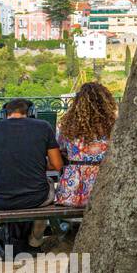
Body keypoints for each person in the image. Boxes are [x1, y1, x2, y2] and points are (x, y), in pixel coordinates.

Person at [0, 98, 63, 254]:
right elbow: (57, 165)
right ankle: (35, 243)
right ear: (32, 113)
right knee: (48, 188)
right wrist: (37, 164)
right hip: (37, 199)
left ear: (4, 115)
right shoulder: (43, 127)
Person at [54, 81, 117, 209]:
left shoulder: (66, 127)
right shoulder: (115, 127)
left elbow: (62, 150)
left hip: (73, 190)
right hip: (106, 186)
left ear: (77, 103)